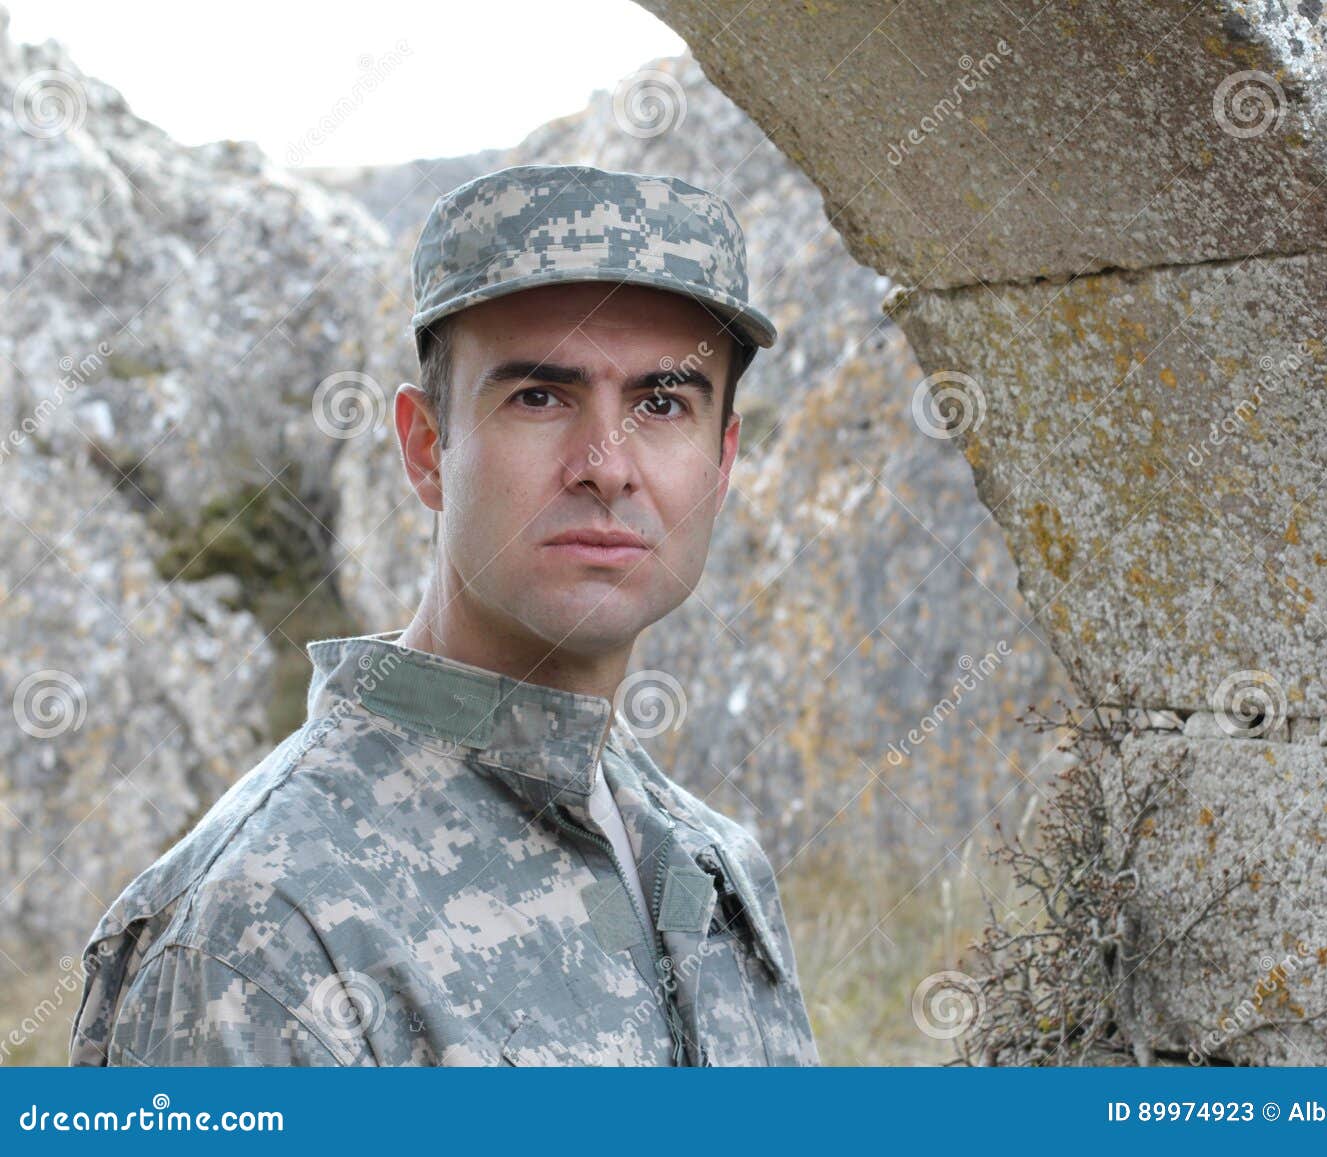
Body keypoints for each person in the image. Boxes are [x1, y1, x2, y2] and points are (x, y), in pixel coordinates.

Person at [67, 162, 820, 1066]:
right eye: (539, 396)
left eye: (662, 403)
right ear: (427, 447)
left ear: (722, 460)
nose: (607, 465)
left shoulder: (712, 866)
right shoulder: (263, 929)